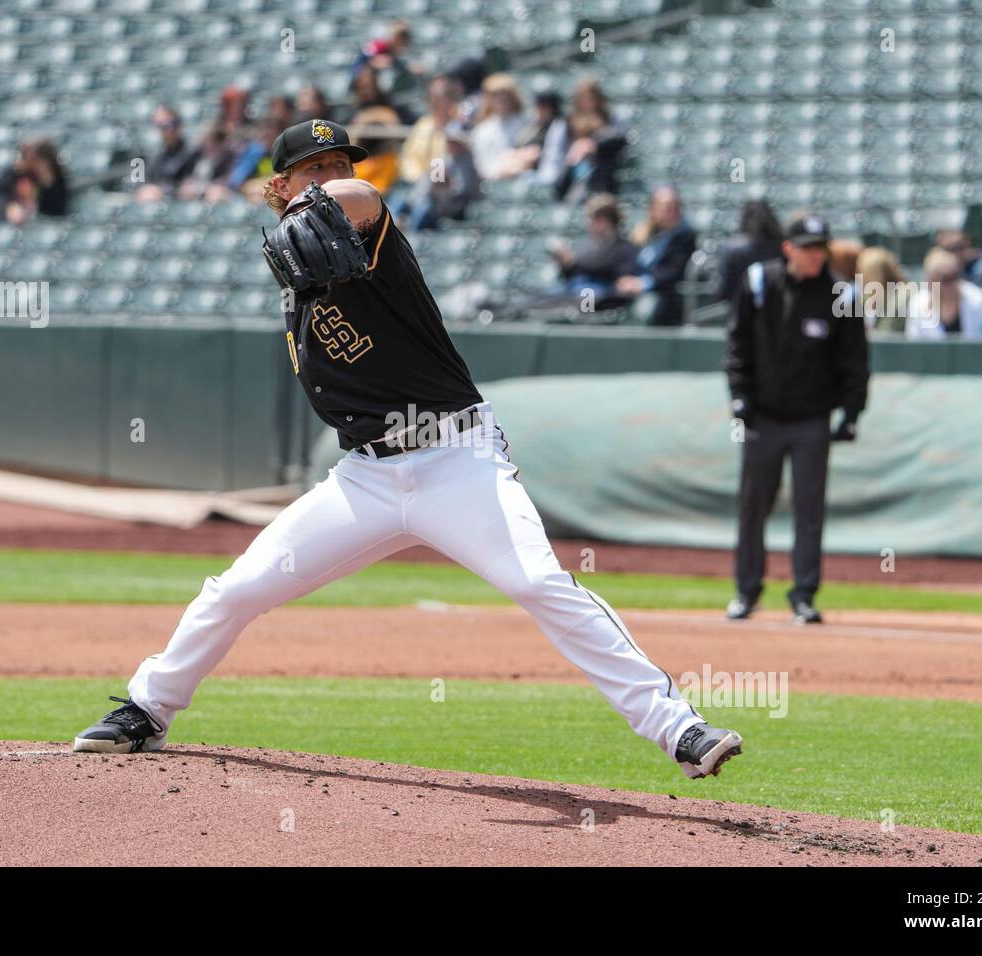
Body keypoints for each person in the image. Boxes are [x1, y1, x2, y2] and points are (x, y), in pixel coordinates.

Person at [72, 117, 744, 782]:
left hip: (456, 458)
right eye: (316, 169)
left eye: (342, 164)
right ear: (278, 187)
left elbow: (365, 200)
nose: (335, 177)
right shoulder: (298, 269)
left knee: (539, 583)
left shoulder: (367, 238)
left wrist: (327, 196)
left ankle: (677, 727)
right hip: (366, 478)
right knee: (237, 589)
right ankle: (147, 709)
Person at [722, 214, 870, 625]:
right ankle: (746, 593)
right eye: (807, 247)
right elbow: (737, 344)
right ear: (788, 249)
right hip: (763, 417)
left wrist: (853, 412)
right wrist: (739, 397)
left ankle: (804, 596)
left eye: (820, 247)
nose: (815, 255)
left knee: (809, 510)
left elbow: (855, 361)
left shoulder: (841, 295)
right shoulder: (759, 285)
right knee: (753, 507)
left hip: (811, 420)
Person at [616, 187, 696, 326]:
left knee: (644, 310)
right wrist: (626, 278)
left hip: (664, 293)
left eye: (673, 207)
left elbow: (674, 270)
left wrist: (643, 284)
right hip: (635, 290)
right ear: (653, 209)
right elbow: (629, 261)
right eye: (665, 207)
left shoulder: (685, 236)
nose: (670, 212)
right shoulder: (643, 233)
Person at [547, 192, 636, 310]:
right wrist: (566, 265)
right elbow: (572, 275)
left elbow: (616, 276)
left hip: (602, 296)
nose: (589, 223)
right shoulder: (588, 246)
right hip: (577, 288)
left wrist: (574, 263)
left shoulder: (623, 247)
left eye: (594, 218)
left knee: (583, 299)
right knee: (550, 297)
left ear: (607, 220)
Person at [905, 247, 982, 338]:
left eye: (955, 276)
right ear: (931, 281)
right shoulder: (918, 304)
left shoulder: (979, 299)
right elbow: (914, 344)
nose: (952, 283)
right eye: (945, 279)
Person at [715, 200, 784, 304]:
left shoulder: (732, 246)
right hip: (776, 308)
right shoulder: (781, 244)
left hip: (740, 309)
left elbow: (722, 290)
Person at [0, 138, 69, 224]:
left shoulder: (56, 180)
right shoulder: (12, 174)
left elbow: (57, 210)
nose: (31, 160)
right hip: (10, 223)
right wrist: (10, 208)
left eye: (37, 157)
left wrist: (48, 183)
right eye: (26, 155)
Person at [135, 106, 199, 203]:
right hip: (151, 201)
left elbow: (189, 186)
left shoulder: (192, 152)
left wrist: (161, 191)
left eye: (172, 124)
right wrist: (145, 189)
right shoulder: (149, 154)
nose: (169, 130)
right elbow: (137, 181)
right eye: (163, 126)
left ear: (180, 126)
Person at [469, 74, 527, 181]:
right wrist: (500, 172)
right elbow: (482, 166)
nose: (501, 98)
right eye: (495, 95)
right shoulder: (482, 131)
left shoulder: (526, 125)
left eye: (505, 94)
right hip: (493, 185)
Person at [854, 246, 909, 332]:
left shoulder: (901, 296)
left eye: (866, 276)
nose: (862, 281)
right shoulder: (867, 297)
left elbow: (886, 336)